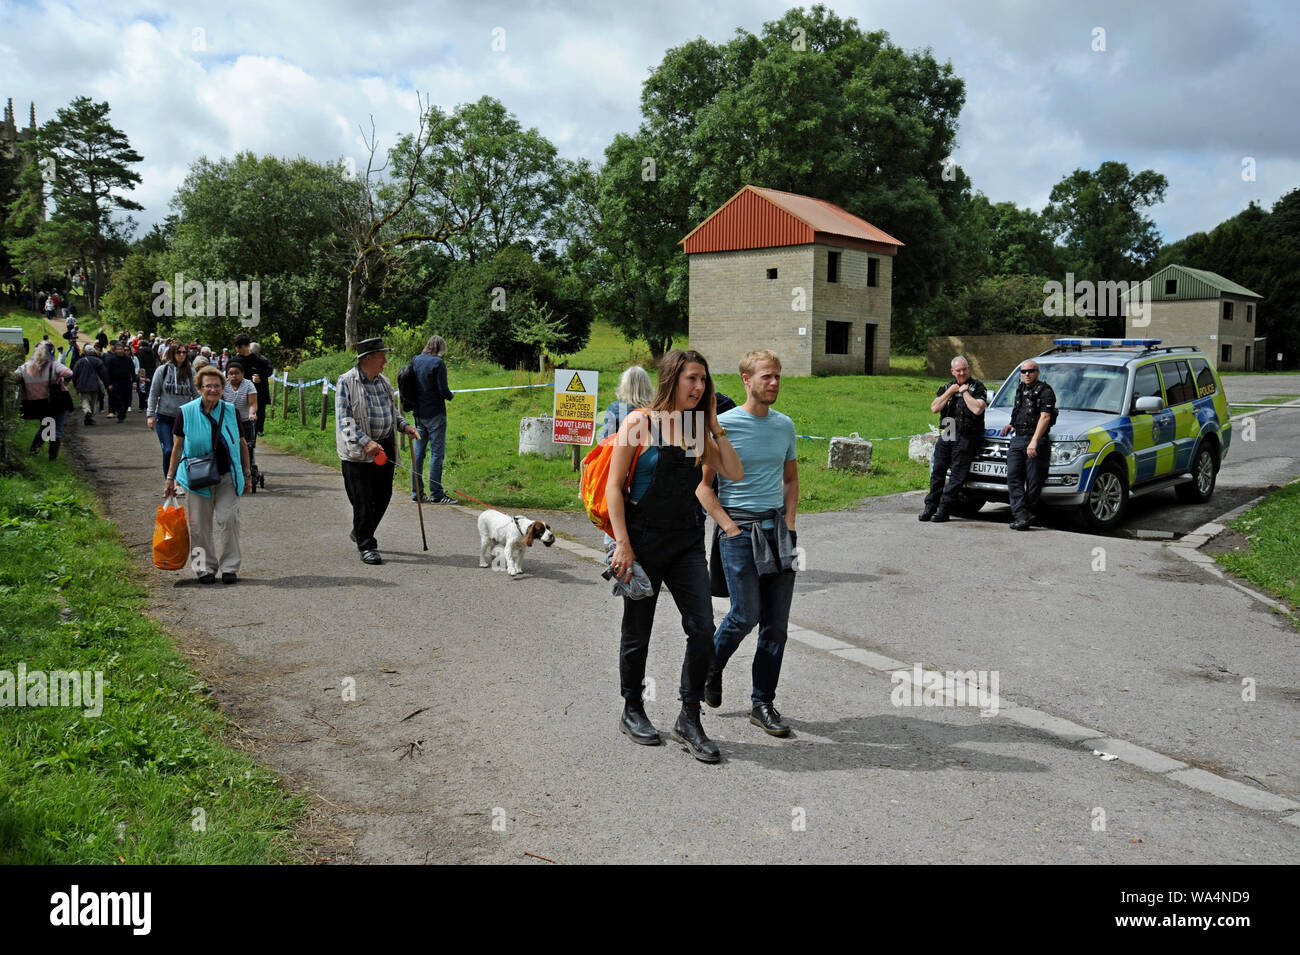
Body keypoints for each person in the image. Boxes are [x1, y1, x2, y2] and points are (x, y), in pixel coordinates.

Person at [606, 349, 743, 762]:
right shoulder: (638, 423)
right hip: (643, 540)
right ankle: (633, 709)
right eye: (692, 379)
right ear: (671, 379)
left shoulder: (699, 429)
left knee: (702, 627)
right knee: (638, 630)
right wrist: (624, 543)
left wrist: (716, 427)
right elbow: (615, 488)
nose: (699, 387)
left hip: (686, 541)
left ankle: (689, 716)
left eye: (704, 380)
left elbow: (734, 472)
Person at [696, 350, 800, 737]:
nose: (773, 383)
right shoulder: (724, 426)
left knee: (776, 625)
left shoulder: (784, 426)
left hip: (777, 532)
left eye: (777, 377)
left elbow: (790, 480)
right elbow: (703, 488)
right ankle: (711, 665)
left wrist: (788, 524)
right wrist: (729, 527)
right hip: (739, 532)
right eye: (766, 377)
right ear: (746, 379)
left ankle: (762, 703)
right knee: (745, 614)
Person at [335, 338, 420, 565]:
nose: (385, 360)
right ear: (368, 358)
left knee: (383, 496)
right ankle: (367, 545)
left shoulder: (384, 382)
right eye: (382, 356)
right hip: (358, 454)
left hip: (385, 448)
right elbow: (344, 420)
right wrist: (366, 442)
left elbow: (392, 412)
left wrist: (405, 426)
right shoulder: (346, 382)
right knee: (362, 500)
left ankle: (361, 530)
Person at [164, 366, 251, 584]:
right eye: (208, 386)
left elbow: (241, 444)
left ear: (223, 388)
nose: (213, 389)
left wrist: (247, 474)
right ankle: (204, 569)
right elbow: (177, 447)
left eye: (217, 385)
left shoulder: (230, 410)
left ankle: (230, 567)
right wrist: (170, 478)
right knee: (199, 527)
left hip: (226, 476)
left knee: (229, 519)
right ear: (199, 388)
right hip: (197, 478)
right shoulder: (186, 412)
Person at [919, 355, 988, 522]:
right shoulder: (947, 387)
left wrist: (964, 392)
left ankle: (945, 509)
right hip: (948, 431)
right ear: (952, 371)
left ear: (968, 369)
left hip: (967, 434)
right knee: (938, 472)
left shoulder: (977, 387)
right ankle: (930, 506)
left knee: (957, 475)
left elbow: (978, 409)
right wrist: (950, 392)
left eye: (964, 369)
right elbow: (935, 408)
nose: (962, 372)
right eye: (958, 370)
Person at [1001, 359, 1057, 531]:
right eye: (1023, 371)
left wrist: (1034, 440)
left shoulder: (1045, 391)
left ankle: (1025, 515)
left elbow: (1045, 417)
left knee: (1033, 482)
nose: (1027, 374)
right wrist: (1012, 424)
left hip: (1036, 439)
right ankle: (1022, 515)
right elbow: (1019, 409)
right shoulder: (1021, 388)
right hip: (1018, 437)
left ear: (1037, 372)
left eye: (1030, 371)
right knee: (1013, 476)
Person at [409, 335, 455, 504]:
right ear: (440, 348)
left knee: (418, 454)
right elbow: (443, 390)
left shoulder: (416, 360)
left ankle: (417, 493)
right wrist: (451, 396)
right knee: (436, 454)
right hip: (435, 413)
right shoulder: (438, 363)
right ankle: (437, 494)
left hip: (419, 413)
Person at [15, 342, 73, 459]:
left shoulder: (26, 366)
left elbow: (14, 376)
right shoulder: (53, 365)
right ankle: (48, 456)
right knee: (55, 429)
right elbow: (69, 373)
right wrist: (62, 381)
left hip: (37, 404)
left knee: (48, 426)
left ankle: (34, 452)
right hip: (56, 402)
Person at [147, 342, 197, 477]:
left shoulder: (190, 372)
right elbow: (153, 393)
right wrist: (150, 415)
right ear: (172, 354)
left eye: (184, 352)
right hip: (164, 416)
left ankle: (179, 480)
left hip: (183, 418)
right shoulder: (162, 370)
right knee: (168, 450)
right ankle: (169, 479)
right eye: (178, 352)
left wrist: (201, 413)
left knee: (182, 450)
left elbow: (197, 394)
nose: (181, 355)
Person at [223, 361, 259, 482]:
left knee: (247, 444)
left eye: (237, 373)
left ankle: (246, 469)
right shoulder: (223, 384)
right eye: (231, 373)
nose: (234, 376)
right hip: (227, 421)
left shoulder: (248, 385)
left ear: (242, 374)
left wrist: (252, 413)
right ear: (227, 374)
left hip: (244, 419)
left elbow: (253, 403)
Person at [599, 365, 654, 441]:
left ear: (624, 385)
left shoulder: (615, 408)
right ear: (647, 385)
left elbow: (607, 439)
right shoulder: (656, 408)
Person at [233, 333, 271, 437]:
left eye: (240, 347)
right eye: (237, 347)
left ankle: (256, 433)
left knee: (256, 418)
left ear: (247, 346)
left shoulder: (260, 361)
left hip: (257, 395)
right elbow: (229, 378)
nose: (238, 349)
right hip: (239, 396)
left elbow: (267, 374)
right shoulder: (234, 361)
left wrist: (260, 379)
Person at [72, 343, 108, 425]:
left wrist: (75, 384)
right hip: (95, 385)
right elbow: (104, 373)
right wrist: (106, 384)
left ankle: (87, 411)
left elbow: (74, 374)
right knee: (93, 401)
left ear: (85, 352)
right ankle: (90, 415)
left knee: (85, 400)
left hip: (82, 385)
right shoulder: (98, 361)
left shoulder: (79, 361)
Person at [103, 340, 137, 423]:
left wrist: (134, 382)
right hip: (115, 382)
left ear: (123, 350)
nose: (119, 351)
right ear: (115, 350)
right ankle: (120, 414)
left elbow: (132, 371)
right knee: (117, 399)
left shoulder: (128, 359)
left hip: (126, 382)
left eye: (121, 349)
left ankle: (123, 413)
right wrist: (109, 383)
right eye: (118, 349)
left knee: (126, 400)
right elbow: (108, 372)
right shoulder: (112, 360)